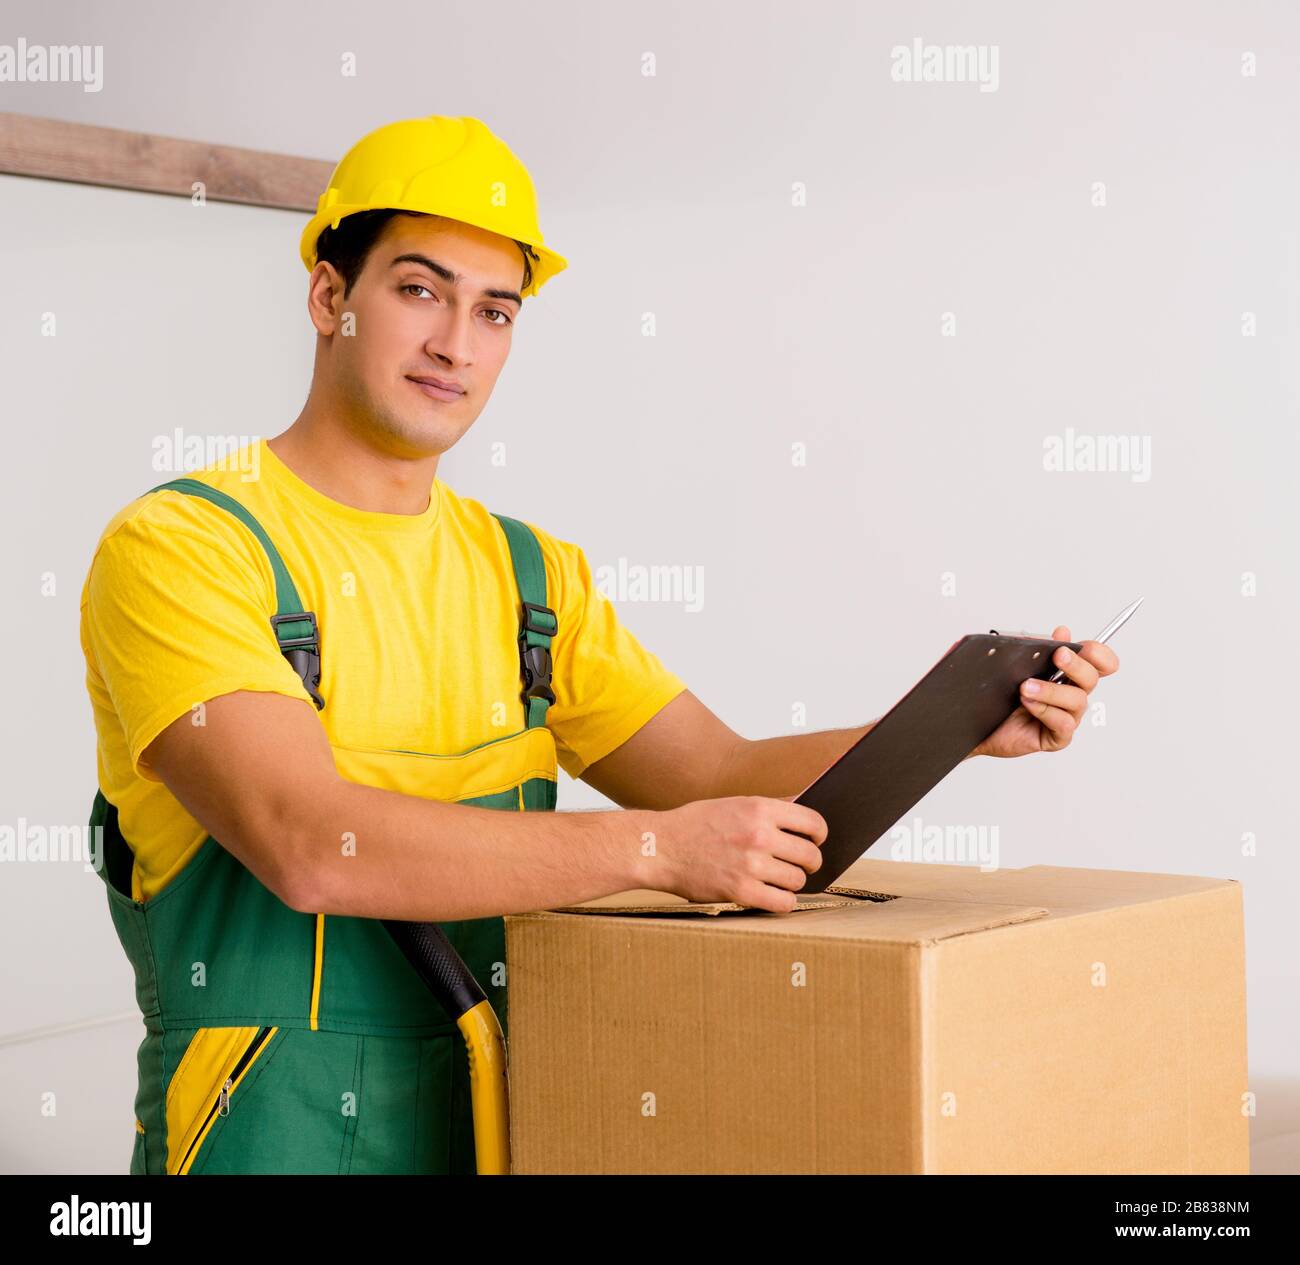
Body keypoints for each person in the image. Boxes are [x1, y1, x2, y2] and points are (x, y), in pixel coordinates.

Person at [79, 115, 1119, 1175]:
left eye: (495, 311)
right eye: (418, 290)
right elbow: (306, 840)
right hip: (267, 1134)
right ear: (328, 297)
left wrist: (956, 728)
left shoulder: (531, 580)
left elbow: (714, 774)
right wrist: (656, 851)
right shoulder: (187, 548)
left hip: (511, 1110)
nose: (456, 344)